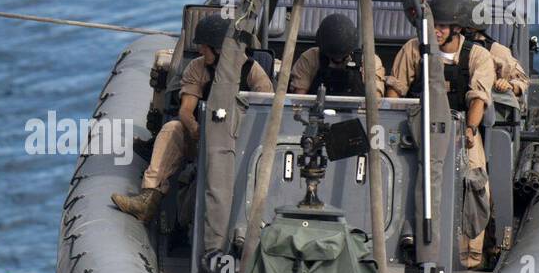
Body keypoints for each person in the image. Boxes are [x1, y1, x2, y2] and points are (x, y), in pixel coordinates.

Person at [112, 14, 272, 222]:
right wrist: (195, 128)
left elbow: (266, 114)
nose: (199, 50)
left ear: (218, 49)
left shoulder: (252, 72)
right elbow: (186, 110)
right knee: (173, 129)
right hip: (203, 138)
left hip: (241, 144)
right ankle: (149, 197)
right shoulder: (197, 68)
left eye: (204, 46)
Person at [385, 0, 495, 268]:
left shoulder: (478, 56)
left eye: (442, 26)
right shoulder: (413, 49)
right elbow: (396, 89)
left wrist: (470, 130)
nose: (436, 30)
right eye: (434, 24)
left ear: (456, 29)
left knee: (474, 185)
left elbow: (478, 97)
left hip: (460, 131)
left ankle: (469, 257)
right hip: (417, 128)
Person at [289, 12, 386, 97]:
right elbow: (299, 100)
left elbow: (375, 100)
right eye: (333, 57)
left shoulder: (369, 60)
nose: (338, 60)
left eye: (342, 56)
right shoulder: (310, 57)